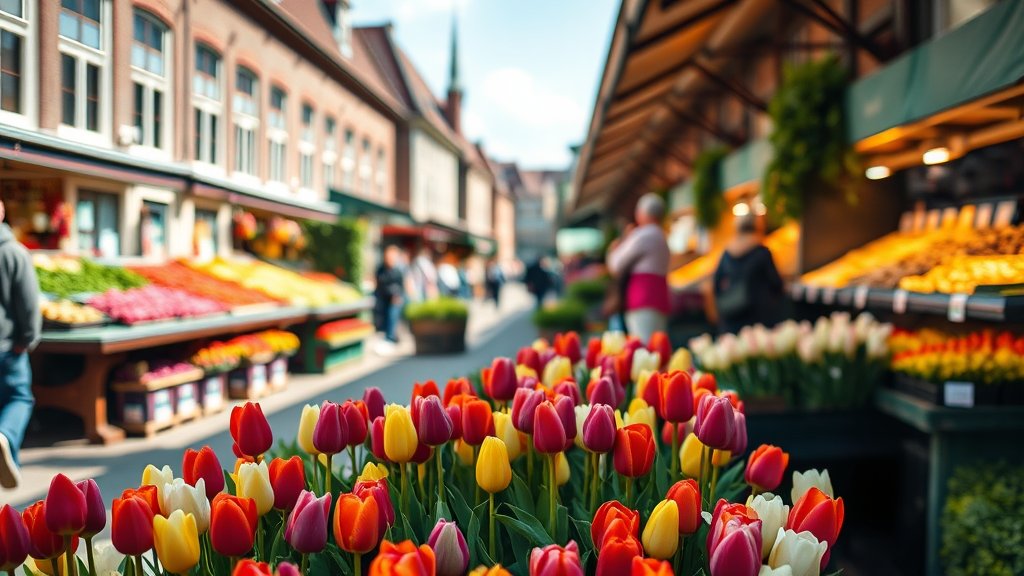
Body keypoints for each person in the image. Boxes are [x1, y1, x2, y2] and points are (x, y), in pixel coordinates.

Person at [0, 199, 41, 489]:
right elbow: (28, 304)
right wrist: (28, 339)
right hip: (6, 346)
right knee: (19, 398)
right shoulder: (14, 252)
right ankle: (5, 436)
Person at [606, 193, 671, 343]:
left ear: (642, 213)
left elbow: (615, 264)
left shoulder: (643, 235)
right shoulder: (661, 235)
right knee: (656, 347)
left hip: (642, 300)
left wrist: (613, 248)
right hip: (658, 299)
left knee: (643, 348)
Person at [712, 215, 784, 334]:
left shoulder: (727, 253)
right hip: (759, 318)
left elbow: (716, 283)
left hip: (732, 317)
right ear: (758, 228)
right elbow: (776, 282)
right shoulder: (762, 252)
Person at [373, 245, 405, 354]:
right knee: (383, 317)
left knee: (392, 316)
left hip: (395, 298)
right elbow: (378, 283)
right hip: (383, 297)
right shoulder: (381, 269)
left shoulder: (398, 270)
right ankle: (389, 336)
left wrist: (397, 296)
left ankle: (390, 338)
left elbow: (401, 285)